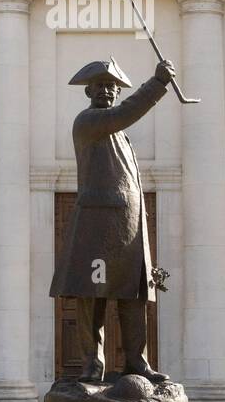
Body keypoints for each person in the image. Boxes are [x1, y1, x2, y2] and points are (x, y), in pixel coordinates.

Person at [50, 55, 174, 383]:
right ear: (89, 92)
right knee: (92, 296)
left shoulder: (121, 136)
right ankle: (92, 363)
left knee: (134, 295)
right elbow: (124, 115)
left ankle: (136, 361)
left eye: (112, 86)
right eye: (100, 86)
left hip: (130, 223)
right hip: (96, 222)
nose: (106, 91)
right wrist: (158, 83)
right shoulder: (88, 122)